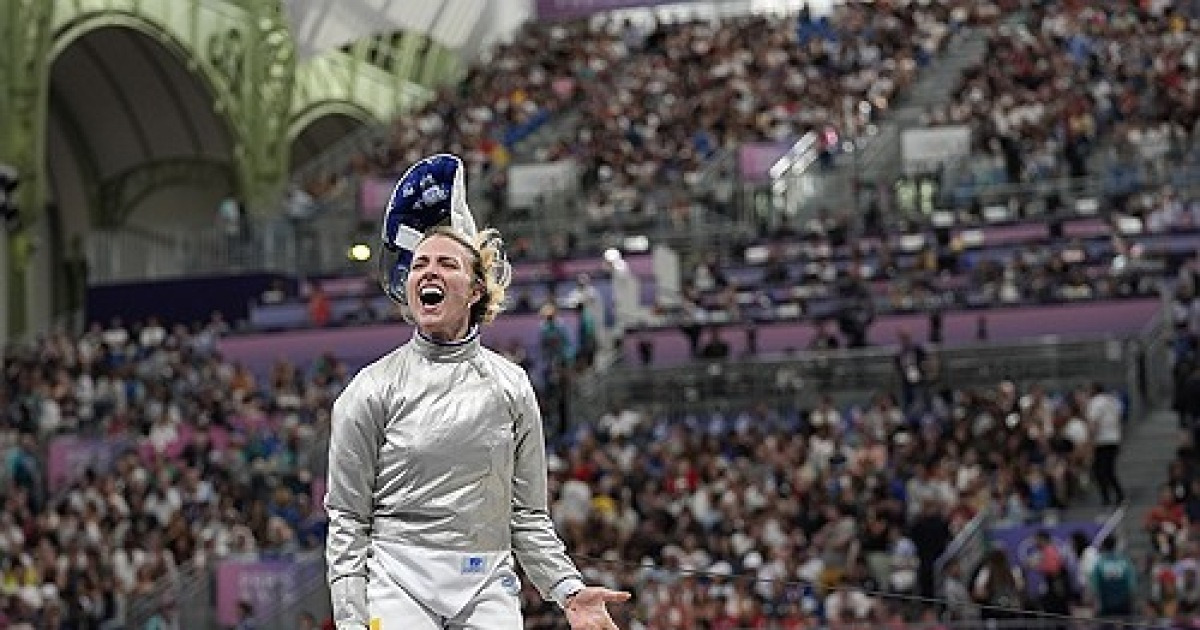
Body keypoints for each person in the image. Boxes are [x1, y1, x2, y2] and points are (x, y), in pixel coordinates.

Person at [325, 154, 630, 630]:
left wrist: (568, 590)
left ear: (474, 291)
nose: (429, 271)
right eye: (420, 263)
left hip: (486, 582)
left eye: (447, 263)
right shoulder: (369, 390)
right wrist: (349, 622)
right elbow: (346, 519)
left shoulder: (512, 387)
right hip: (396, 581)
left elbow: (527, 516)